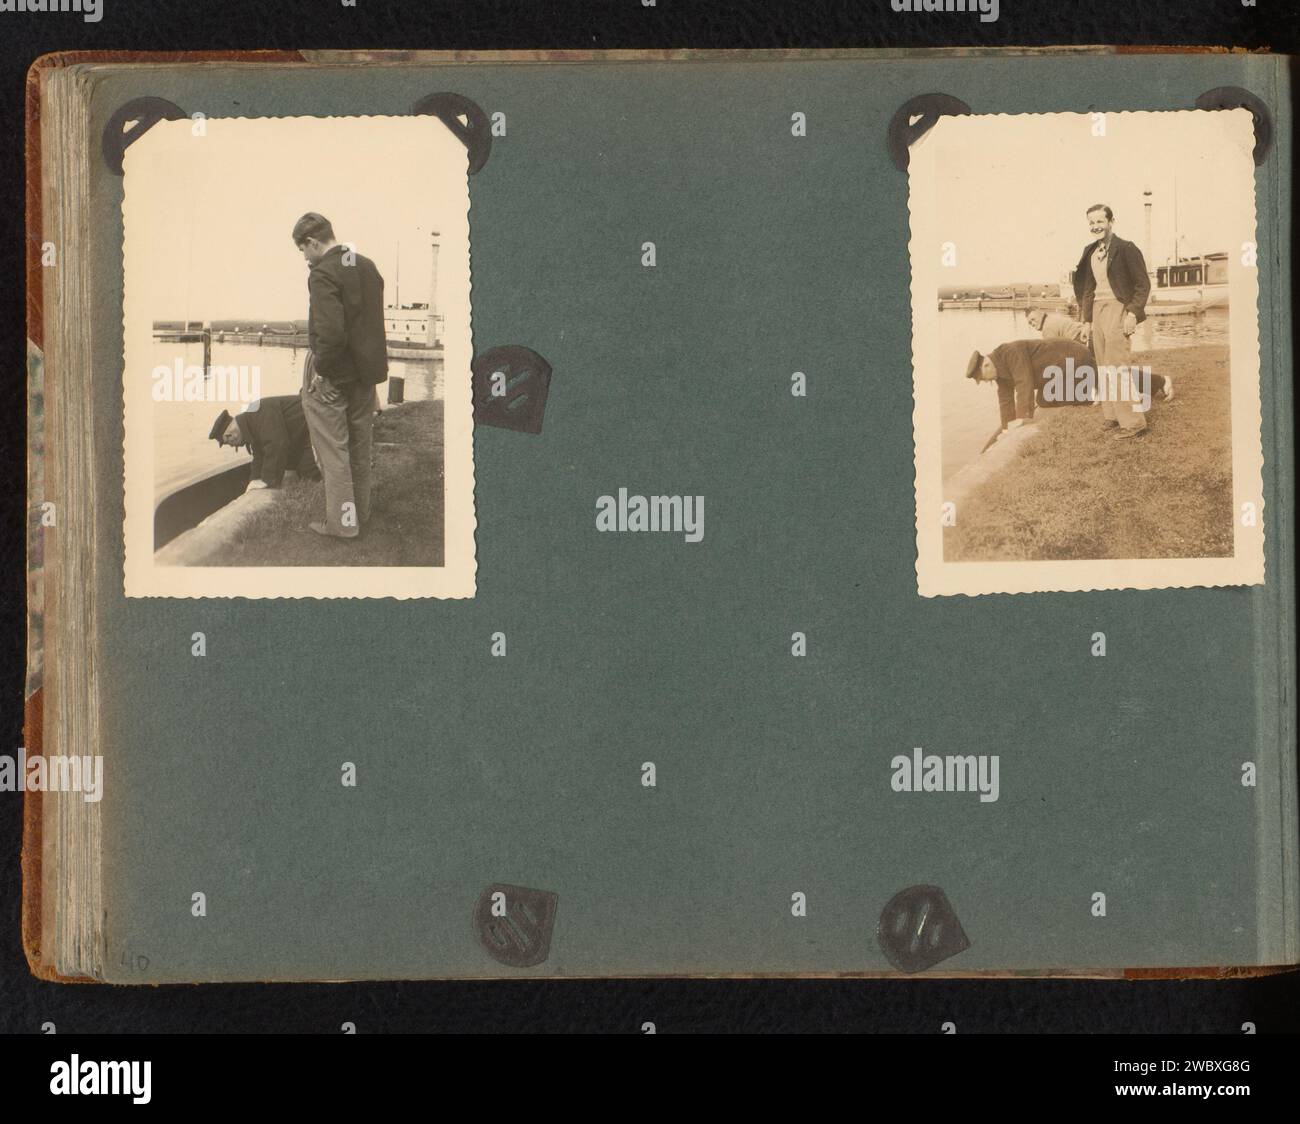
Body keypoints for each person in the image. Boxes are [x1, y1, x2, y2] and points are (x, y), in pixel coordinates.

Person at [292, 212, 388, 538]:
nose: (304, 256)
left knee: (334, 452)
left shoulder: (323, 273)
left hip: (337, 376)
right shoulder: (367, 266)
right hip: (365, 376)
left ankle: (344, 526)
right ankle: (361, 513)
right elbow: (370, 326)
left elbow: (330, 334)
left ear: (313, 242)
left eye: (302, 249)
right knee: (361, 448)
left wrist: (323, 375)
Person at [964, 338, 1171, 454]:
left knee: (1103, 380)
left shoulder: (1009, 352)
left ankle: (1160, 381)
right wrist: (1007, 428)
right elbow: (1005, 400)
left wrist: (1021, 419)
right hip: (1057, 371)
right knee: (1105, 379)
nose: (986, 382)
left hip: (1072, 357)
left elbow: (1024, 383)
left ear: (986, 364)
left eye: (983, 378)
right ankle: (1155, 382)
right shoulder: (998, 370)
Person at [1072, 203, 1153, 440]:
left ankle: (1134, 423)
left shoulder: (1126, 249)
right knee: (1104, 367)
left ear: (1111, 222)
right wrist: (1086, 321)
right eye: (1091, 222)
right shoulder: (1089, 252)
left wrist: (1132, 313)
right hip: (1097, 311)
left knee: (1118, 366)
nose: (1095, 226)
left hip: (1119, 310)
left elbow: (1142, 285)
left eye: (1099, 221)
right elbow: (1088, 288)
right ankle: (1113, 417)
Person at [208, 397, 321, 490]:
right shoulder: (249, 419)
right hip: (302, 436)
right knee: (305, 476)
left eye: (229, 443)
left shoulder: (257, 411)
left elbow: (277, 443)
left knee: (310, 475)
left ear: (230, 435)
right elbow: (259, 455)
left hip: (315, 426)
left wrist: (267, 480)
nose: (234, 446)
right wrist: (254, 481)